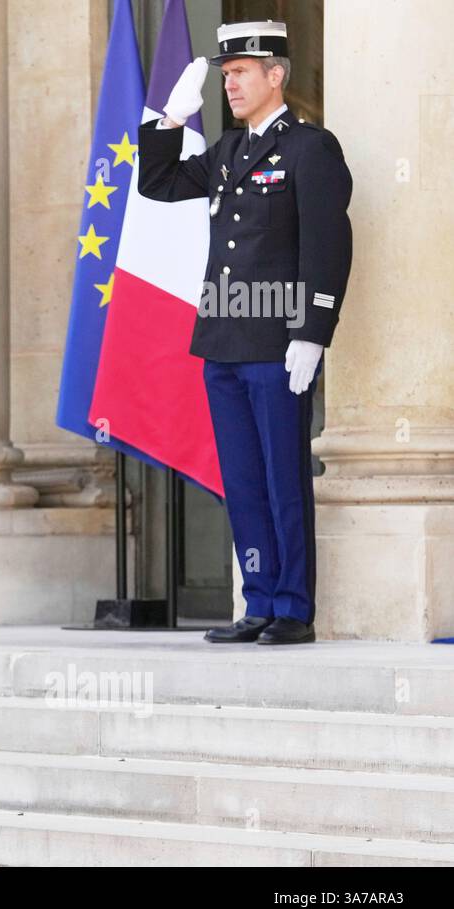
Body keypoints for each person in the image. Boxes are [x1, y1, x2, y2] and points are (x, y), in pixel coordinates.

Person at [137, 20, 352, 645]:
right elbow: (158, 184)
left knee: (285, 478)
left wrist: (313, 331)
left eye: (240, 74)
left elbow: (327, 243)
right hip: (224, 342)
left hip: (278, 345)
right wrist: (170, 122)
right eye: (225, 75)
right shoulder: (228, 152)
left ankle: (292, 608)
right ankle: (258, 598)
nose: (229, 85)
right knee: (242, 481)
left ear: (275, 75)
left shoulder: (311, 149)